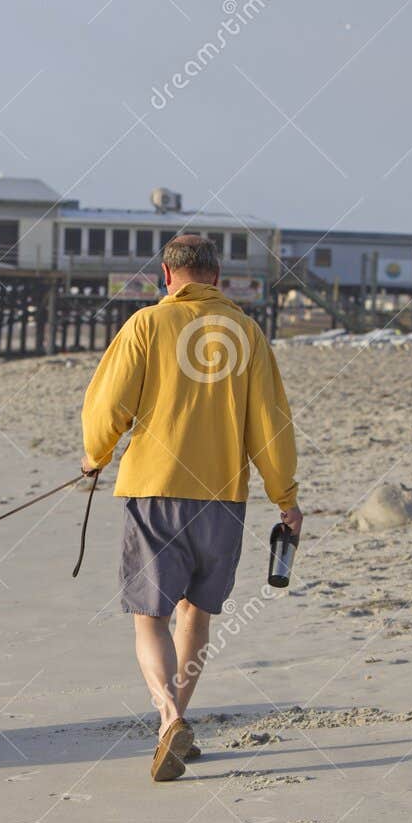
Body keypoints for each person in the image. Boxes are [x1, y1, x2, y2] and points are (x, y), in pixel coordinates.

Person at [81, 234, 301, 782]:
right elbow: (270, 425)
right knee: (195, 614)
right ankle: (174, 726)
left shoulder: (147, 325)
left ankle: (168, 717)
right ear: (217, 277)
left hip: (156, 488)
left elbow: (110, 404)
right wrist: (286, 497)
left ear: (165, 275)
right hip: (223, 496)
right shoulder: (248, 333)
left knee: (150, 617)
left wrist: (95, 456)